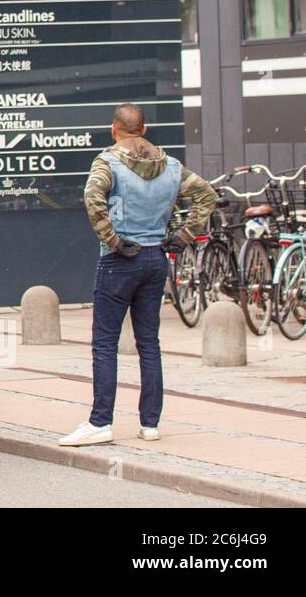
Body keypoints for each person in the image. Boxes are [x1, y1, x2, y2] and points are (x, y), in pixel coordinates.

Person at [58, 103, 216, 447]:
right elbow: (207, 195)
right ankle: (151, 423)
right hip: (156, 258)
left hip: (119, 259)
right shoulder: (171, 166)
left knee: (104, 344)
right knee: (149, 343)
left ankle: (100, 422)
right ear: (143, 130)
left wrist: (112, 239)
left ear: (114, 129)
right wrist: (184, 236)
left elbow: (92, 197)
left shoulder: (108, 162)